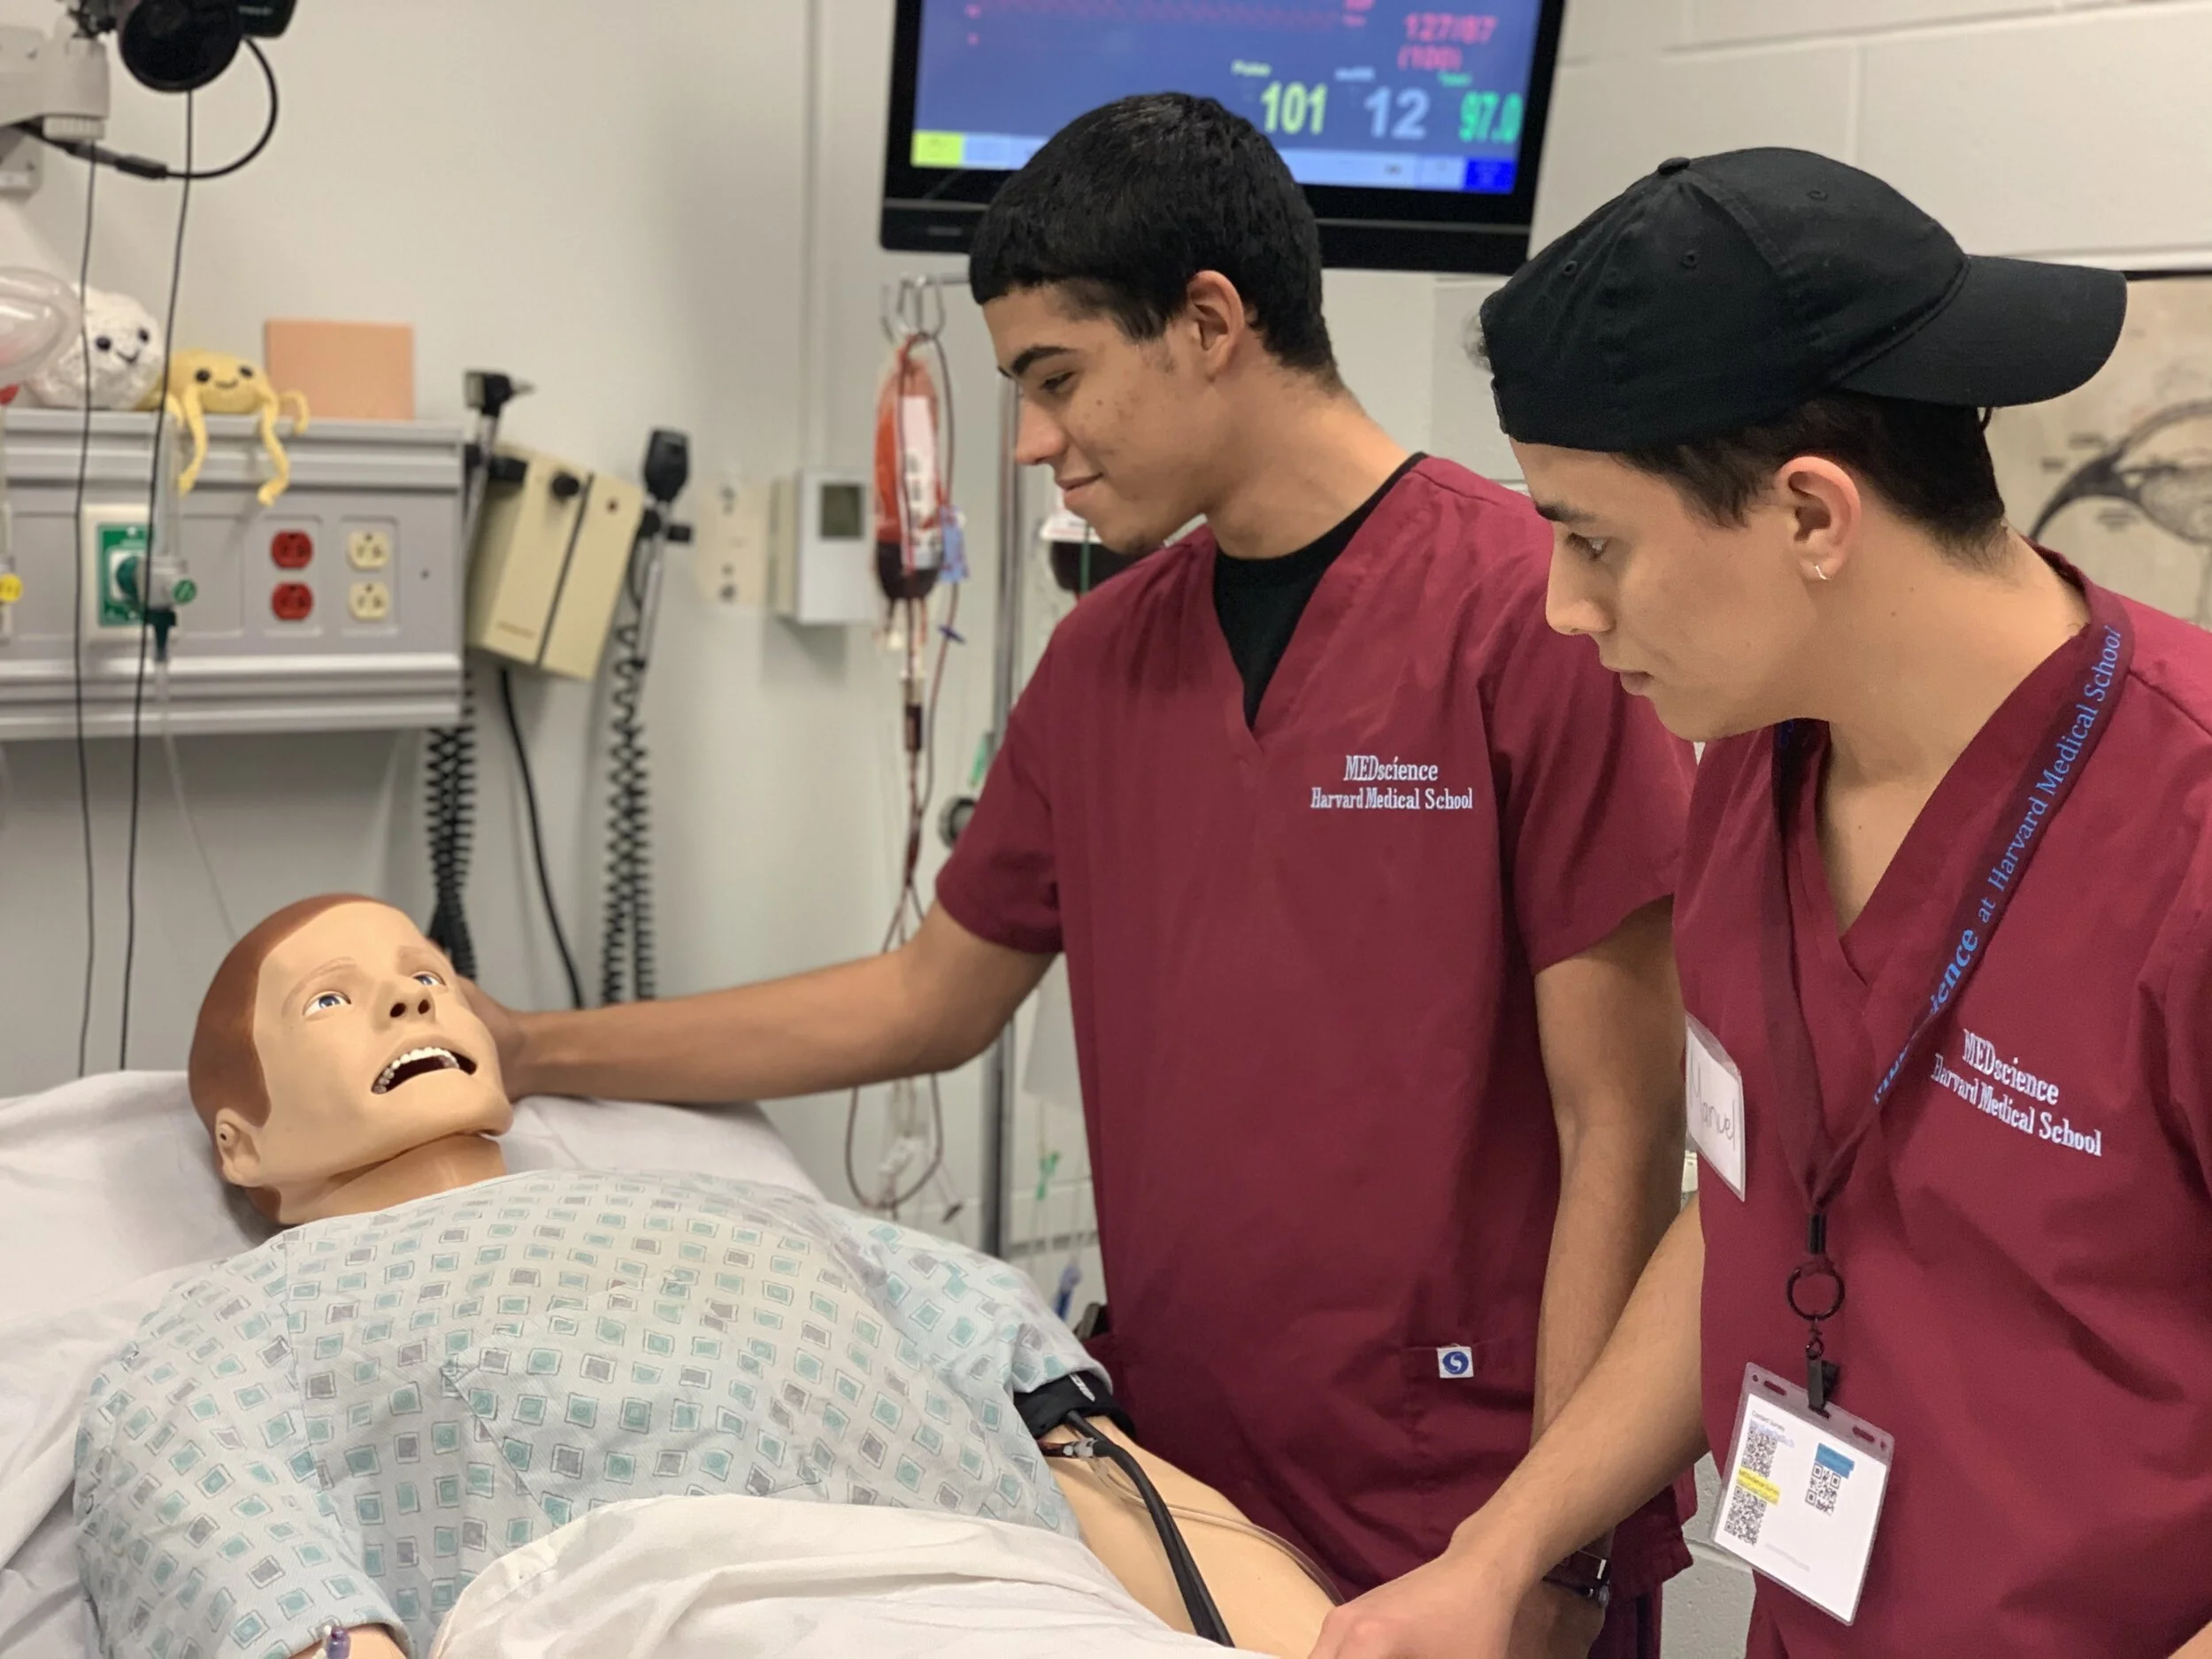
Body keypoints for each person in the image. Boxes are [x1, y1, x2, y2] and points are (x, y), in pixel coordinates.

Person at [472, 93, 1694, 1656]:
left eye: (1059, 381)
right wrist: (531, 1049)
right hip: (1175, 1475)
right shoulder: (1107, 652)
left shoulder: (1531, 610)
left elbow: (1624, 1120)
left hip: (1460, 1499)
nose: (1035, 442)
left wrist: (1549, 1552)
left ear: (1206, 322)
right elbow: (924, 999)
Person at [1310, 148, 2212, 1659]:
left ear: (1811, 515)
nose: (1561, 606)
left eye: (1593, 538)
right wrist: (1502, 1547)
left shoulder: (2180, 836)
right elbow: (1745, 1211)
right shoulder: (1751, 770)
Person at [75, 895, 1336, 1659]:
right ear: (239, 1143)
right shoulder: (224, 1333)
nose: (411, 1003)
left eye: (427, 974)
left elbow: (1100, 1471)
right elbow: (274, 1602)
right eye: (332, 999)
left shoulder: (787, 1221)